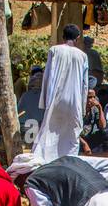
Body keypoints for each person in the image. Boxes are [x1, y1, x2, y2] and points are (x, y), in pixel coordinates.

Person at [33, 24, 89, 162]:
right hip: (74, 100)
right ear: (77, 38)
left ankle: (46, 162)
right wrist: (82, 107)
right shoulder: (82, 56)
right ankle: (68, 162)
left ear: (63, 37)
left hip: (55, 99)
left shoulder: (54, 50)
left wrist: (45, 102)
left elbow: (47, 76)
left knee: (49, 131)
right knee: (72, 134)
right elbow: (85, 84)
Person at [16, 66, 45, 152]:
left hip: (27, 135)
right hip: (40, 136)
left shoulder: (25, 96)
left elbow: (19, 116)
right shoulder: (47, 98)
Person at [79, 82, 108, 155]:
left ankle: (105, 156)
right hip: (79, 138)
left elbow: (103, 126)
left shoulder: (94, 108)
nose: (93, 100)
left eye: (94, 97)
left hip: (89, 136)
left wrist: (100, 108)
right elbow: (72, 132)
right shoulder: (78, 110)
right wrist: (84, 144)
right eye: (89, 97)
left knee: (106, 132)